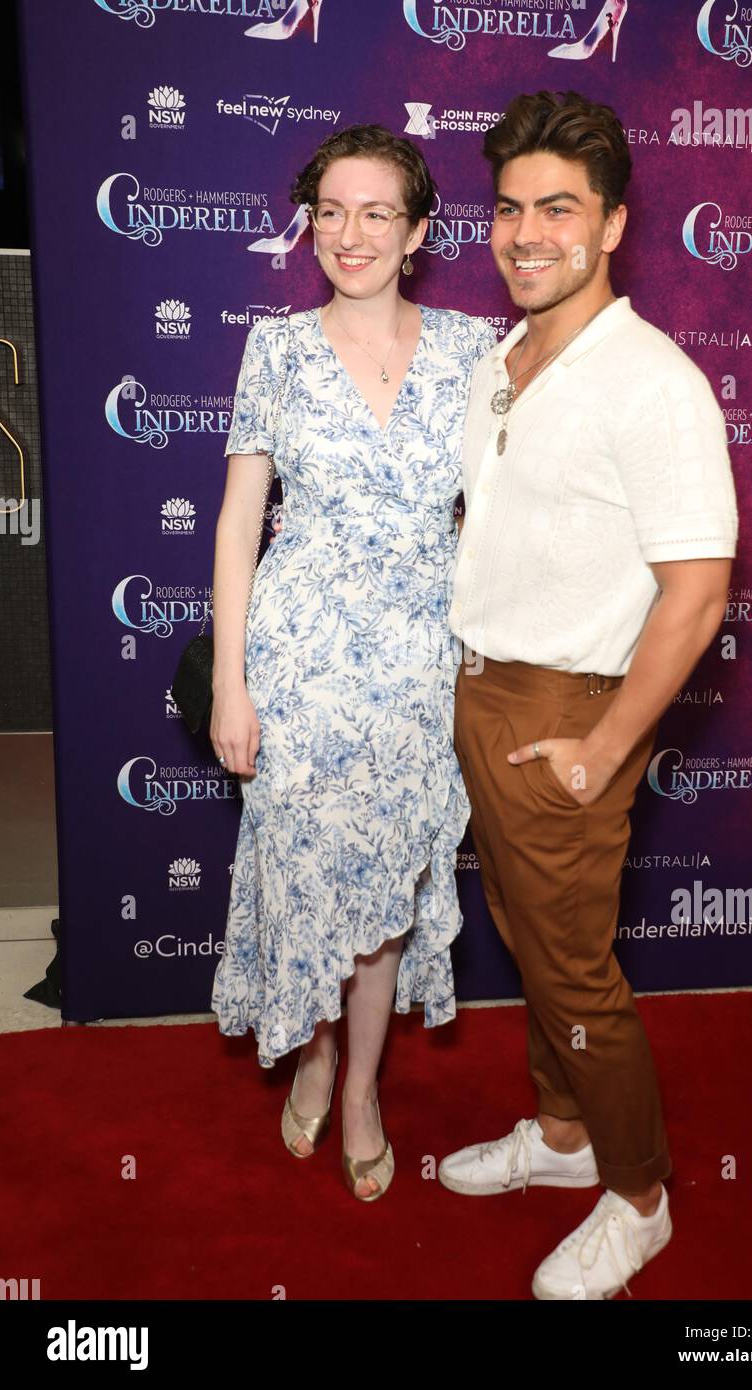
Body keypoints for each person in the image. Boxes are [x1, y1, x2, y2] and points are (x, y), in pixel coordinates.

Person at [440, 90, 738, 1297]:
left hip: (568, 713)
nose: (524, 234)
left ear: (611, 222)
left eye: (556, 208)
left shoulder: (650, 381)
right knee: (526, 939)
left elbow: (699, 591)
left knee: (574, 977)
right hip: (483, 694)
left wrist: (599, 747)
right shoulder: (500, 361)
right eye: (508, 208)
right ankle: (564, 1142)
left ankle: (639, 1194)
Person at [209, 125, 497, 1202]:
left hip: (423, 667)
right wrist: (232, 682)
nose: (351, 233)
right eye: (331, 211)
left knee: (384, 898)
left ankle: (364, 1084)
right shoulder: (273, 350)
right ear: (308, 225)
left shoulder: (477, 351)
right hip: (298, 662)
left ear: (419, 231)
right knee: (303, 884)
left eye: (378, 212)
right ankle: (317, 1052)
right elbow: (239, 526)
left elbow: (509, 513)